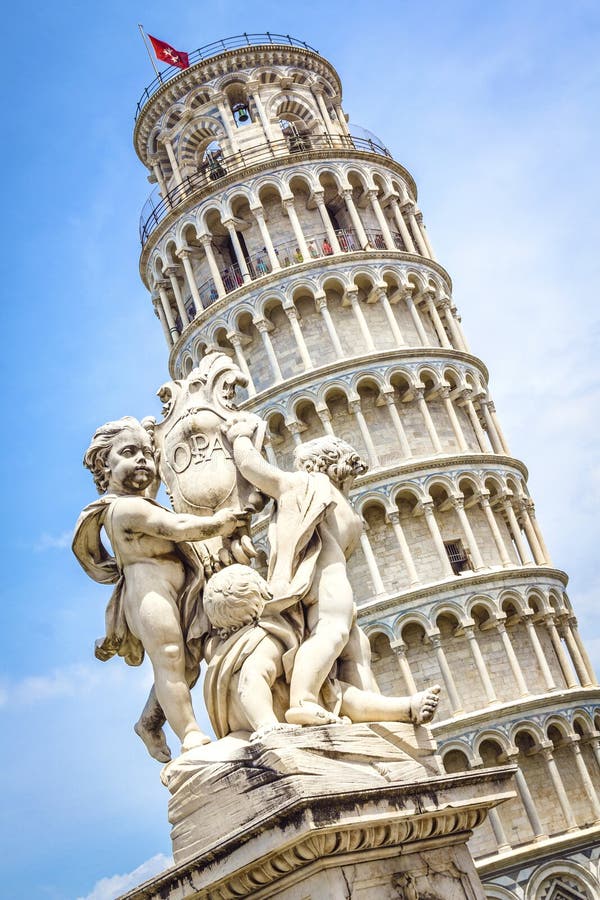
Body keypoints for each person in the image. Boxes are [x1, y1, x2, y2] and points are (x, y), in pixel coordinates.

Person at [224, 420, 439, 727]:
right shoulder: (314, 487)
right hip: (328, 580)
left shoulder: (323, 494)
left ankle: (391, 714)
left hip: (318, 581)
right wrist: (240, 437)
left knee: (354, 655)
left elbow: (253, 468)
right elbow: (252, 467)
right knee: (333, 633)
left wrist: (241, 439)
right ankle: (303, 699)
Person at [73, 416, 244, 759]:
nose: (142, 459)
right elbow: (176, 526)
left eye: (147, 454)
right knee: (168, 657)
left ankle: (149, 722)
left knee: (190, 663)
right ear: (104, 467)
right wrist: (218, 524)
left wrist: (154, 439)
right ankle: (191, 734)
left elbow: (157, 489)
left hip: (182, 587)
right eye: (129, 452)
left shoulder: (142, 498)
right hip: (148, 590)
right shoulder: (124, 508)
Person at [202, 564, 440, 739]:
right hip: (263, 719)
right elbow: (251, 680)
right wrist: (267, 725)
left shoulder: (224, 653)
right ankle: (406, 708)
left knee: (335, 692)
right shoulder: (264, 638)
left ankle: (407, 707)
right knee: (340, 695)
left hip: (243, 726)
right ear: (260, 597)